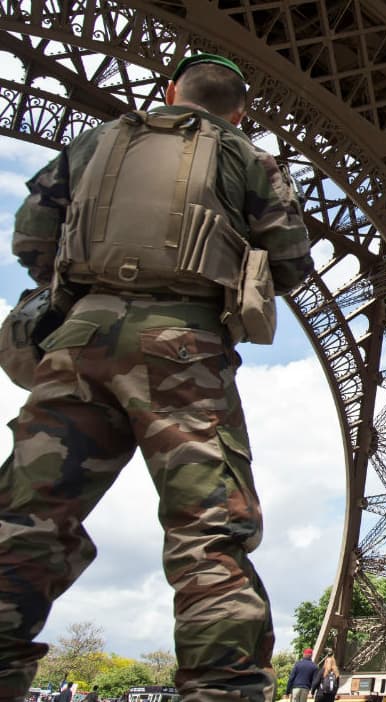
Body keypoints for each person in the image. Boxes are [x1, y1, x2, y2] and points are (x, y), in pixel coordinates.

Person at [0, 50, 313, 702]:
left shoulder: (99, 141)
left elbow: (32, 234)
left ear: (170, 90)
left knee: (23, 522)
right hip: (183, 350)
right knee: (209, 537)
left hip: (79, 342)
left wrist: (76, 294)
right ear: (241, 110)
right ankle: (223, 691)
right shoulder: (249, 158)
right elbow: (289, 259)